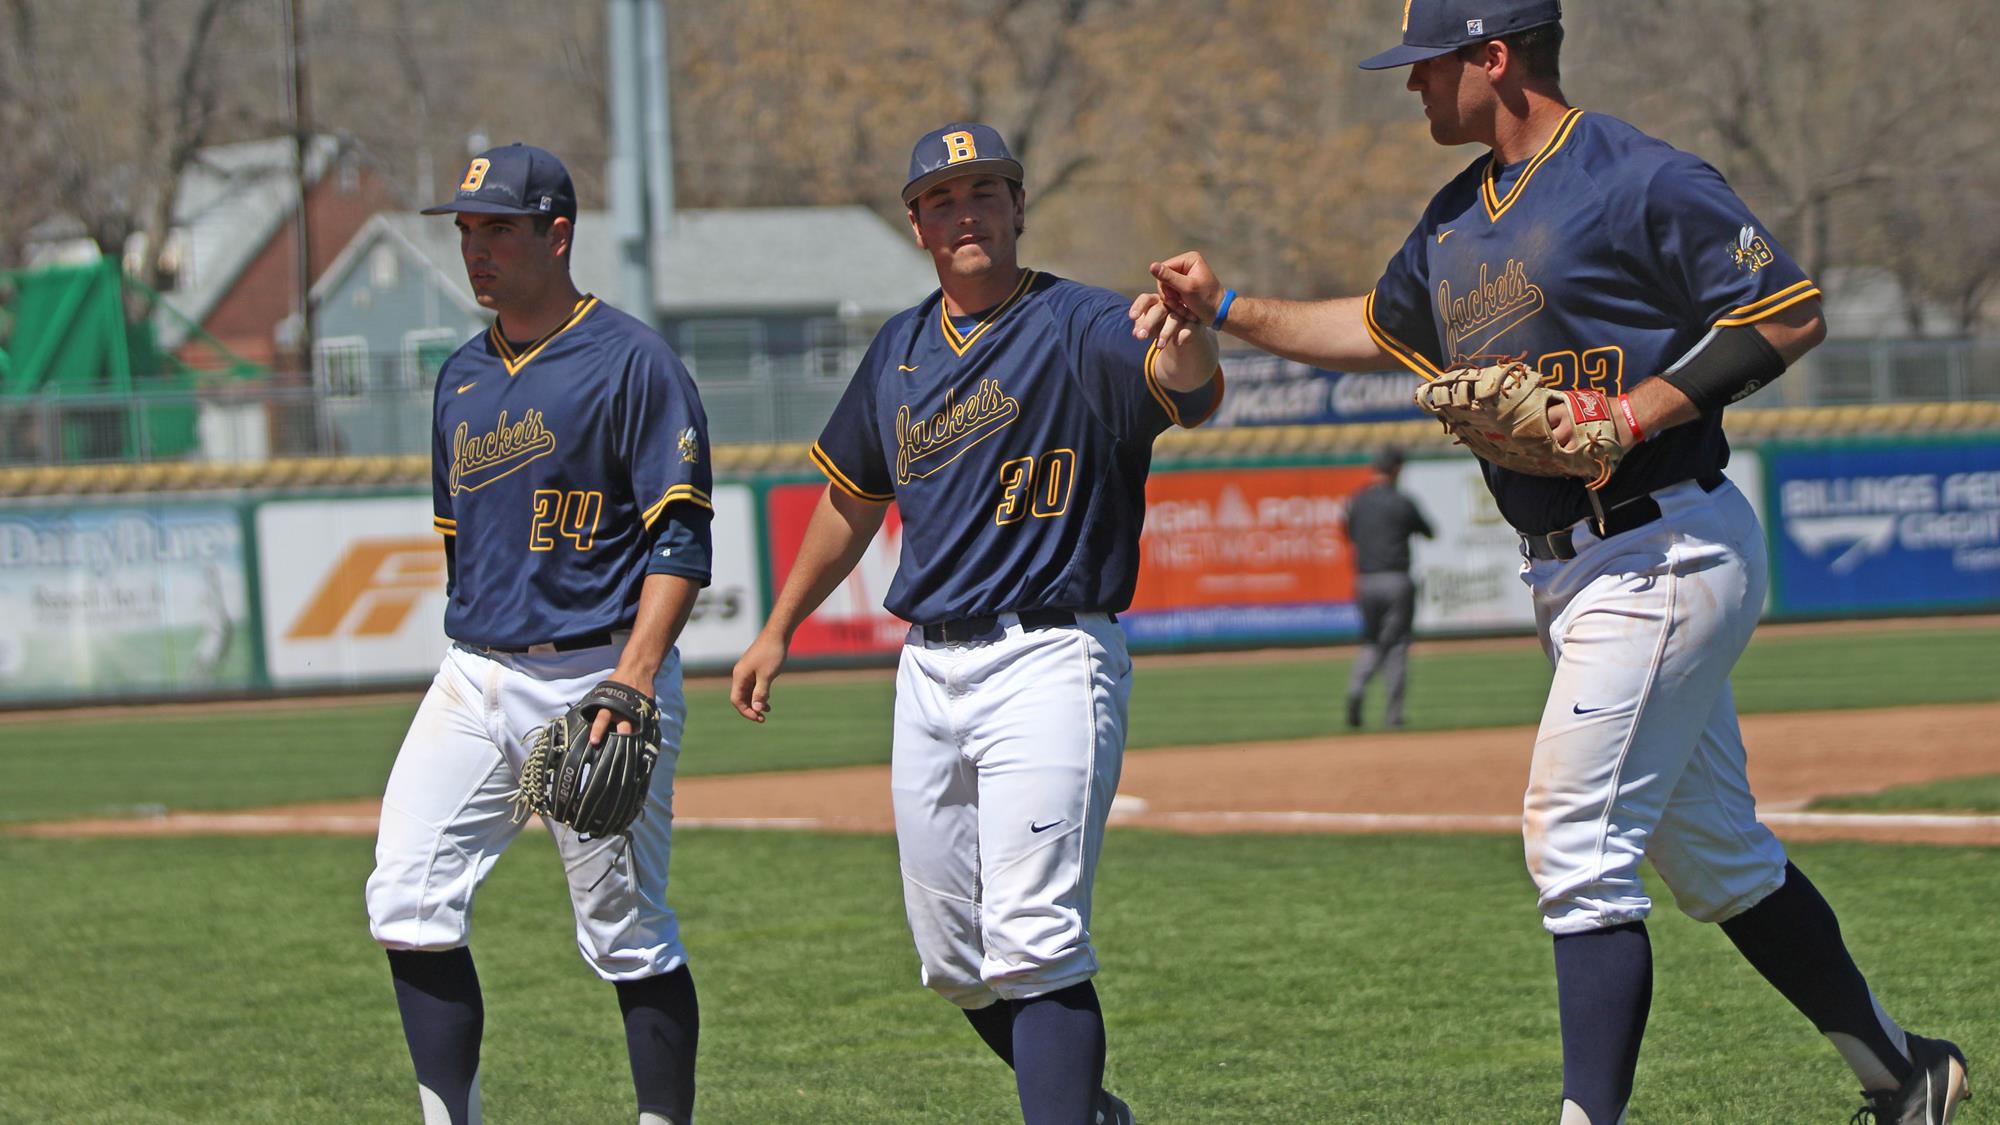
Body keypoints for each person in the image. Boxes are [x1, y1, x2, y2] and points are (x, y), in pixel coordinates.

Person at [1130, 3, 1969, 1121]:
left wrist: (1633, 412)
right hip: (1569, 571)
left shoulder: (1635, 176)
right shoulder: (1452, 220)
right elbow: (1373, 330)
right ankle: (1903, 1072)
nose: (1410, 88)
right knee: (1719, 862)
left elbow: (1785, 310)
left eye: (1427, 67)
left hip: (1659, 542)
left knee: (1574, 846)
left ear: (1493, 56)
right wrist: (1224, 307)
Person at [730, 122, 1222, 1125]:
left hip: (1047, 653)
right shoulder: (900, 350)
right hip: (927, 672)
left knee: (1034, 943)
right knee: (955, 963)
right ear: (917, 226)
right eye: (944, 200)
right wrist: (778, 626)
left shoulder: (1082, 323)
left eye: (984, 192)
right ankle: (1091, 1111)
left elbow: (1186, 388)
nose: (966, 213)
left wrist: (1189, 334)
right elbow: (850, 501)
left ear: (1016, 207)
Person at [366, 143, 710, 1125]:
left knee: (624, 934)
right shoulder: (462, 378)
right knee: (406, 898)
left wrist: (633, 681)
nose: (476, 249)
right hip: (474, 672)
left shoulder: (632, 362)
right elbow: (458, 544)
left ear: (556, 233)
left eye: (498, 229)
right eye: (467, 230)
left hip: (599, 670)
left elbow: (679, 542)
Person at [1343, 445, 1434, 729]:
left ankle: (1356, 687)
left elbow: (1348, 534)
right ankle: (1393, 716)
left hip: (1365, 581)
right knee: (1396, 646)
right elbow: (1428, 532)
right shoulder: (1400, 501)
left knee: (1372, 641)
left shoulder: (1357, 502)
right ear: (1396, 469)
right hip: (1395, 579)